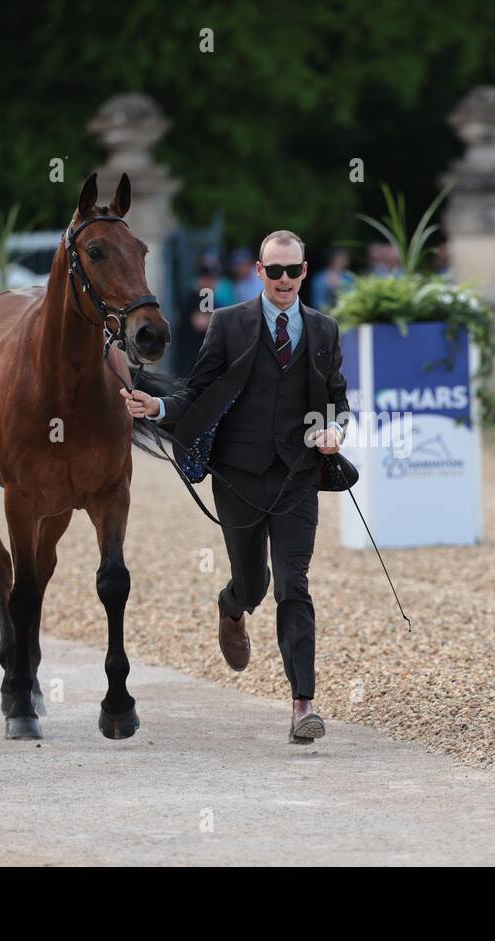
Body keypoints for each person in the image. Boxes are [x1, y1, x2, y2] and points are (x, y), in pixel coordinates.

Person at [120, 229, 354, 744]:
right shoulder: (229, 324)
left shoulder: (324, 329)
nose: (285, 280)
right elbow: (199, 389)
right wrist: (158, 408)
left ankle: (303, 706)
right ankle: (231, 606)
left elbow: (337, 400)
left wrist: (335, 428)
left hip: (297, 477)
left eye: (293, 271)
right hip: (239, 478)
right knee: (253, 584)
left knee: (295, 585)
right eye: (275, 271)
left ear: (305, 272)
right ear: (259, 271)